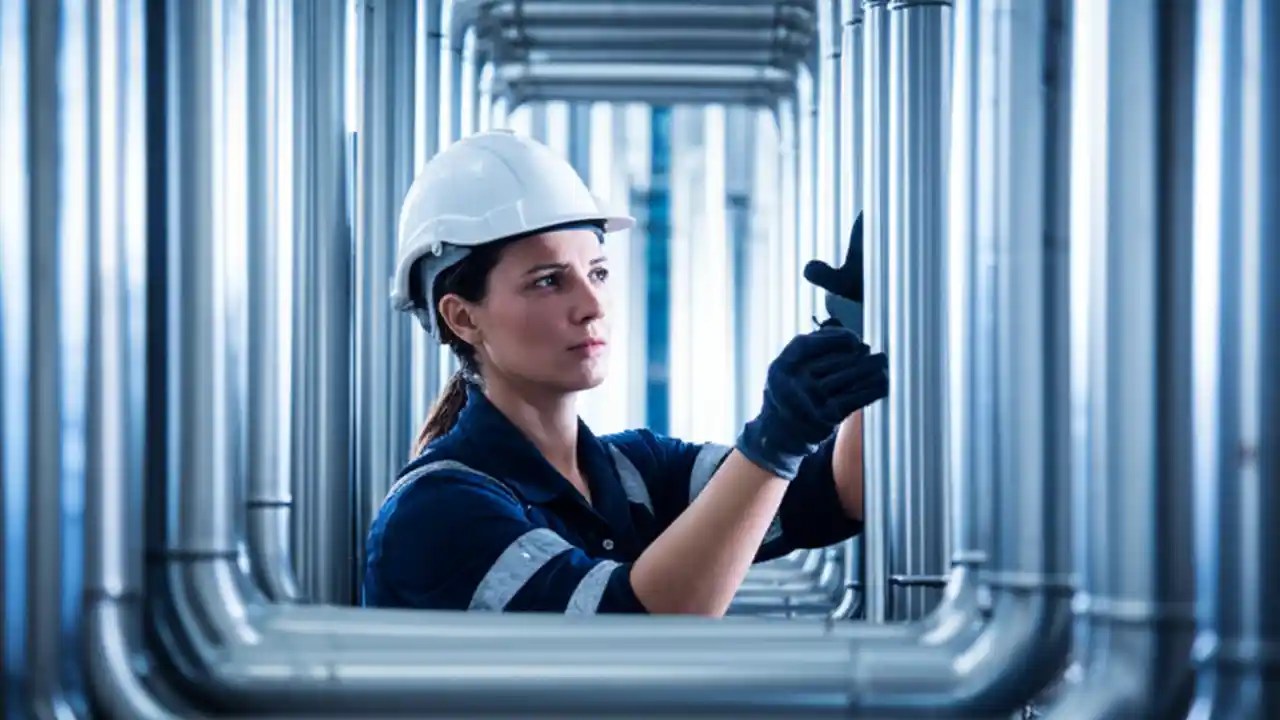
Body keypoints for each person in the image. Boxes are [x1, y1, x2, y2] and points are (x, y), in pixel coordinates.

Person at [362, 130, 887, 617]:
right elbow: (632, 630)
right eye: (548, 281)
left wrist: (869, 324)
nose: (592, 305)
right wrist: (775, 442)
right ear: (462, 316)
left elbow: (835, 496)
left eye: (598, 273)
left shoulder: (631, 470)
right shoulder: (437, 514)